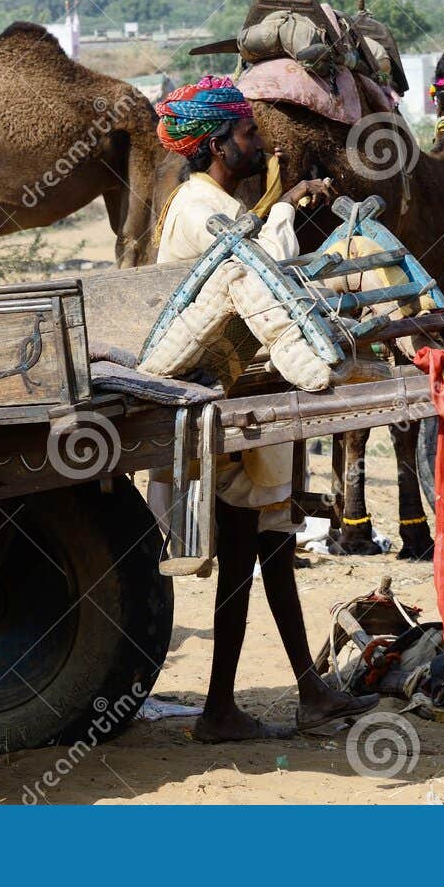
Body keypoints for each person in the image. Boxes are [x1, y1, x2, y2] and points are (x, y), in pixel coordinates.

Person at [151, 76, 378, 742]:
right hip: (218, 401)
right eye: (247, 133)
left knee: (273, 546)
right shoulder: (200, 209)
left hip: (242, 393)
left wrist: (282, 204)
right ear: (218, 143)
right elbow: (257, 273)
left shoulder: (214, 199)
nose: (257, 143)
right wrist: (284, 210)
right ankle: (219, 710)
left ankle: (308, 691)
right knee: (247, 551)